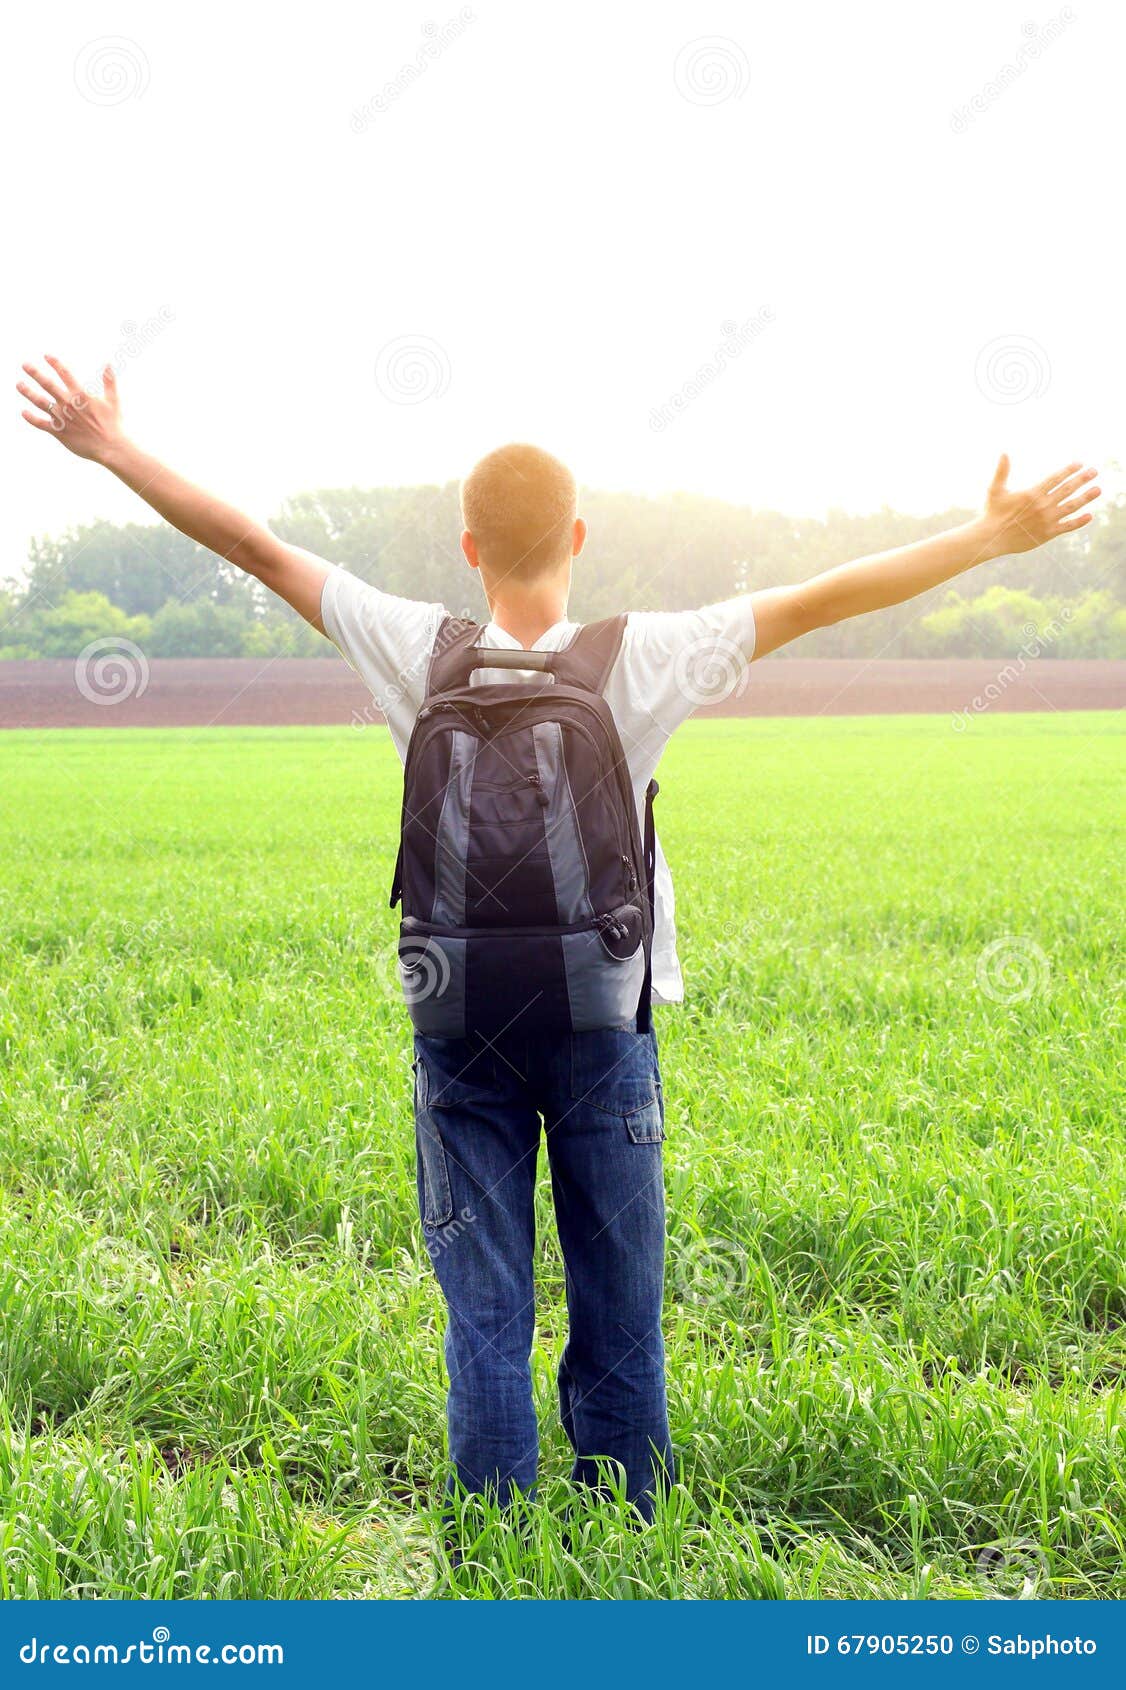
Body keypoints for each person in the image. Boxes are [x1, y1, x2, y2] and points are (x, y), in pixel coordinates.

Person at [17, 353, 1100, 1519]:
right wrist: (990, 538)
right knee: (620, 1310)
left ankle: (493, 1544)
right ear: (578, 537)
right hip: (603, 1022)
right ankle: (624, 1532)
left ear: (468, 547)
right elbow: (823, 597)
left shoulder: (414, 645)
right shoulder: (643, 656)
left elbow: (255, 547)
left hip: (459, 1022)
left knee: (484, 1315)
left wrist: (111, 447)